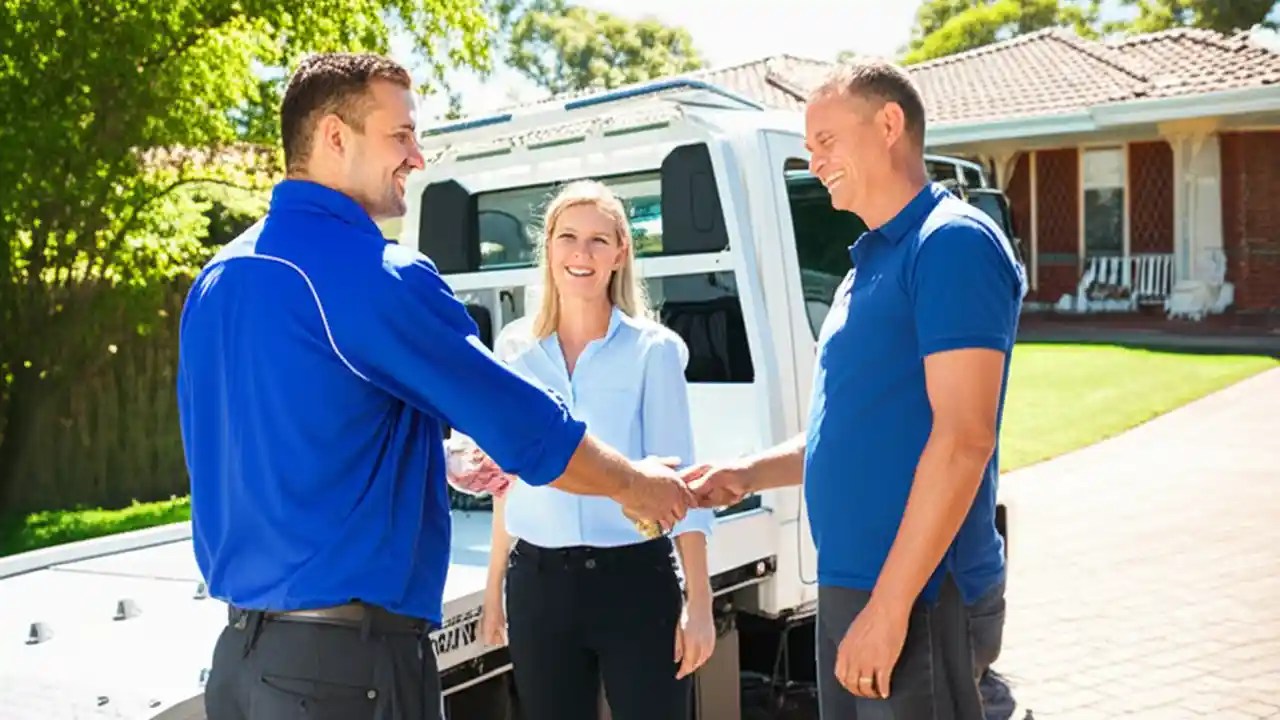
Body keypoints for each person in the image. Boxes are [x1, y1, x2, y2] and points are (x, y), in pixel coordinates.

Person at [175, 52, 692, 720]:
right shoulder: (373, 273)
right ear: (335, 136)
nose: (418, 157)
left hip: (244, 665)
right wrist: (638, 485)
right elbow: (528, 431)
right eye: (401, 135)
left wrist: (437, 459)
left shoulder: (219, 275)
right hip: (344, 674)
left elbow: (283, 436)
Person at [684, 58, 1026, 719]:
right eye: (809, 147)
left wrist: (890, 608)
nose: (813, 161)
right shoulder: (864, 266)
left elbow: (963, 439)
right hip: (852, 585)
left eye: (826, 141)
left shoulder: (950, 243)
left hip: (922, 595)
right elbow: (852, 428)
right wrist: (746, 472)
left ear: (889, 124)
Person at [458, 179, 718, 720]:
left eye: (600, 240)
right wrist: (493, 590)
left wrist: (700, 604)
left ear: (621, 252)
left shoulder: (655, 352)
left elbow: (683, 485)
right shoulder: (514, 351)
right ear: (548, 248)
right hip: (538, 587)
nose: (582, 253)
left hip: (634, 583)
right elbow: (512, 483)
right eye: (568, 237)